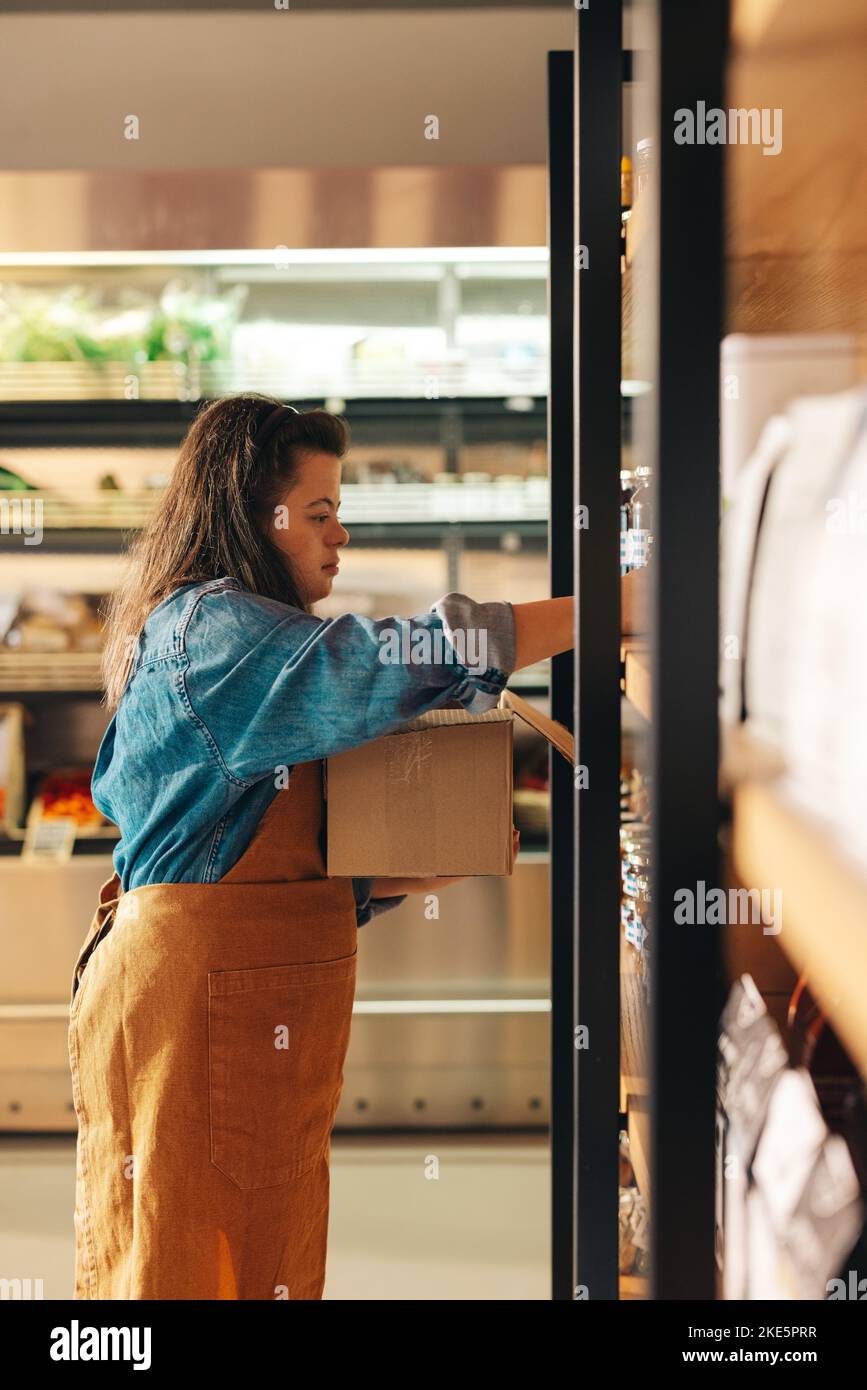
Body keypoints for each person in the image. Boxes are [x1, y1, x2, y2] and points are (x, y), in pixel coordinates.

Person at [67, 394, 575, 1300]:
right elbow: (380, 664)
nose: (338, 536)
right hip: (185, 1020)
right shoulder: (213, 630)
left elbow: (237, 869)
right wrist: (593, 608)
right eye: (319, 513)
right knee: (174, 1274)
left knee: (260, 1262)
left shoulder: (251, 633)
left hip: (240, 1024)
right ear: (253, 518)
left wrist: (378, 882)